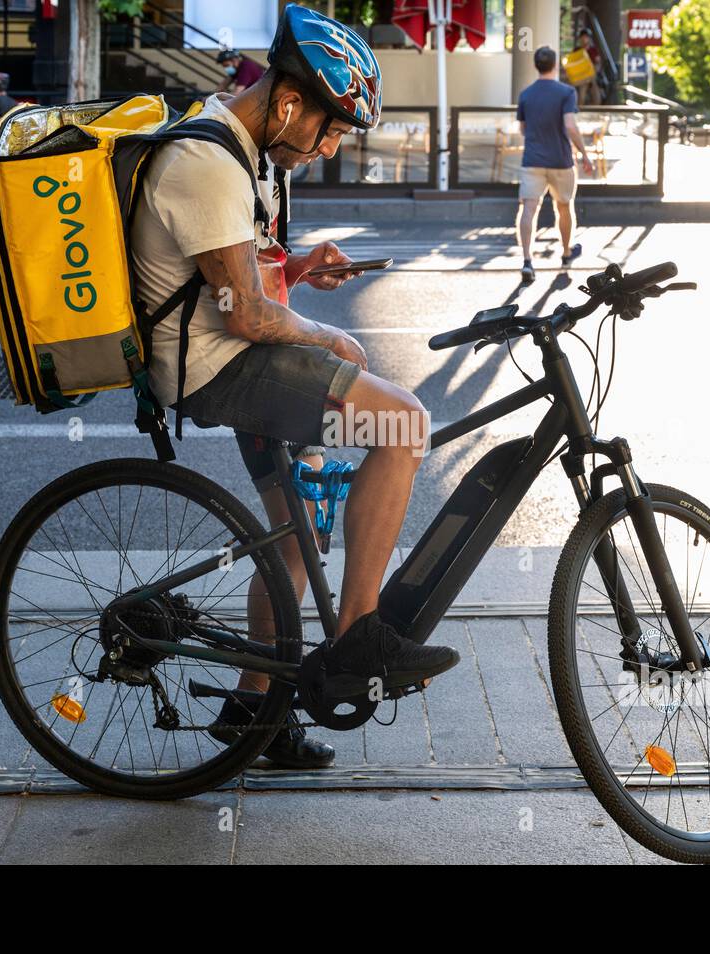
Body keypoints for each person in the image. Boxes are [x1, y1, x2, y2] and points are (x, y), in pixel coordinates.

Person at [129, 3, 459, 768]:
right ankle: (359, 636)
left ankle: (255, 712)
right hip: (220, 370)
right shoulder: (207, 164)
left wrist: (301, 264)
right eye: (333, 128)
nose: (330, 146)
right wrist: (331, 337)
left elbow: (233, 273)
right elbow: (243, 312)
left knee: (297, 533)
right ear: (288, 103)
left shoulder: (244, 149)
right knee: (403, 425)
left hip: (225, 357)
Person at [515, 45, 595, 285]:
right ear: (555, 65)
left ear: (535, 65)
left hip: (533, 161)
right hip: (561, 161)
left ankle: (527, 260)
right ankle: (567, 252)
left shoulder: (526, 94)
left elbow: (522, 128)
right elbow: (570, 125)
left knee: (528, 209)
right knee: (564, 207)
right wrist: (585, 154)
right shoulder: (566, 92)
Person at [574, 28, 602, 106]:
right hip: (581, 77)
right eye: (582, 37)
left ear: (589, 38)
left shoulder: (593, 50)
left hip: (592, 76)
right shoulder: (577, 50)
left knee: (596, 97)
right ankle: (580, 111)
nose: (584, 39)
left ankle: (594, 111)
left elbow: (598, 63)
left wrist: (594, 71)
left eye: (586, 37)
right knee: (581, 96)